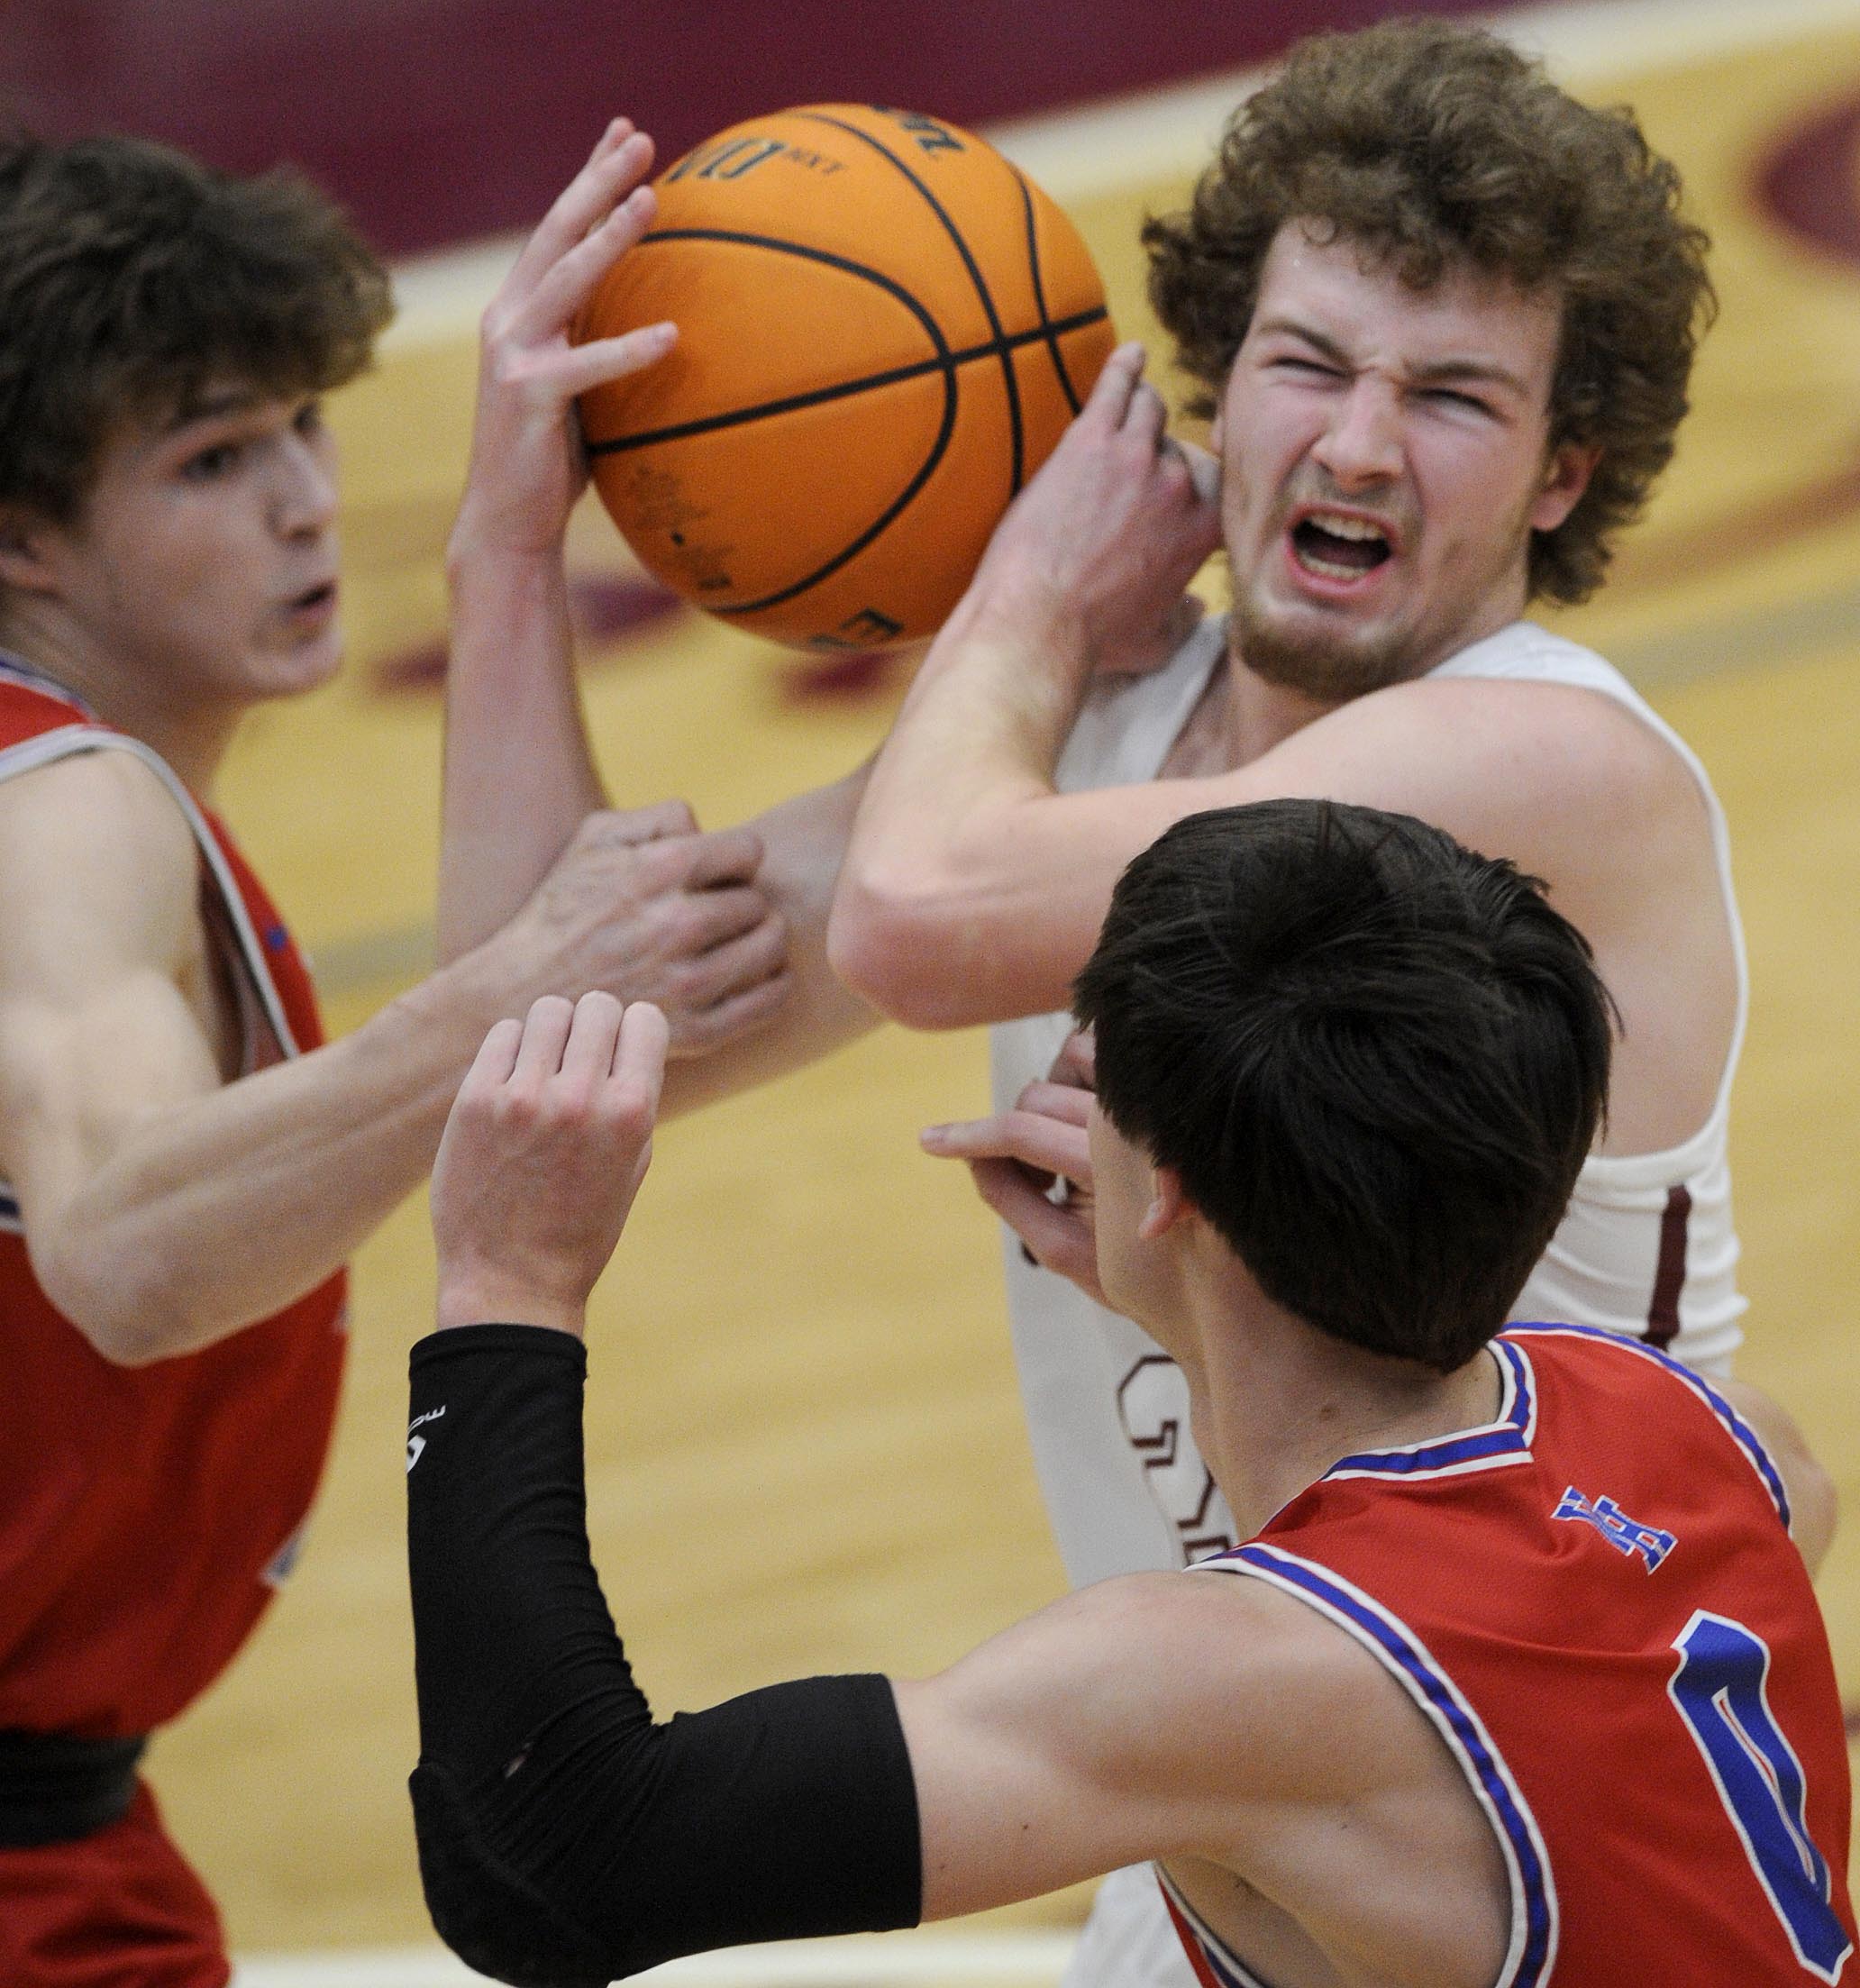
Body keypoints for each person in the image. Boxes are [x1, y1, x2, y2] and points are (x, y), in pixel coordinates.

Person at [442, 24, 1741, 1987]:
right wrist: (512, 545)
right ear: (1216, 398)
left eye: (1454, 396)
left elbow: (913, 920)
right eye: (1309, 366)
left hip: (1507, 1801)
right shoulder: (1093, 756)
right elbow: (546, 1012)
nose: (1362, 444)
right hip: (1225, 1784)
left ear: (1565, 472)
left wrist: (1024, 602)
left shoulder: (1549, 768)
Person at [406, 799, 1850, 1988]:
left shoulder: (1227, 1687)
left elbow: (563, 1860)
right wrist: (1201, 1266)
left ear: (1165, 1192)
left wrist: (509, 1285)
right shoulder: (1721, 1435)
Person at [0, 131, 794, 1988]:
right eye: (212, 461)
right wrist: (520, 976)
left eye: (300, 430)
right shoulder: (64, 807)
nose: (298, 504)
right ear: (21, 537)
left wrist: (503, 542)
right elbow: (123, 1253)